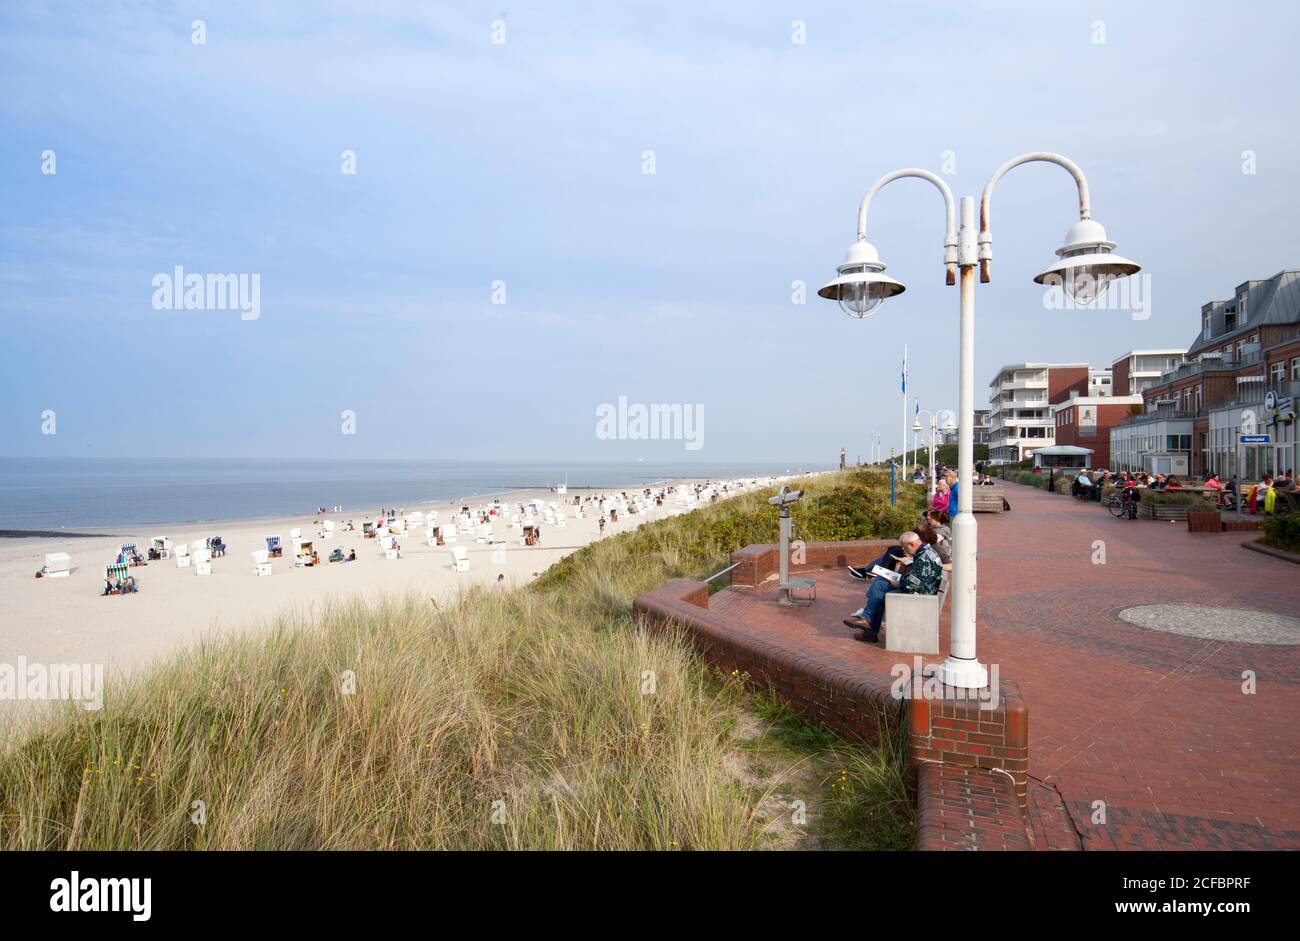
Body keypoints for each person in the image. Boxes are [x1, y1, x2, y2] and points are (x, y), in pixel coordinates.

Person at [843, 531, 943, 644]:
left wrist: (899, 582)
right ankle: (867, 622)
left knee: (879, 592)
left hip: (921, 594)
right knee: (879, 583)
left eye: (905, 548)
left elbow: (916, 584)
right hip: (923, 590)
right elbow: (919, 578)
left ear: (911, 544)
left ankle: (868, 625)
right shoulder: (925, 552)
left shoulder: (924, 557)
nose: (904, 551)